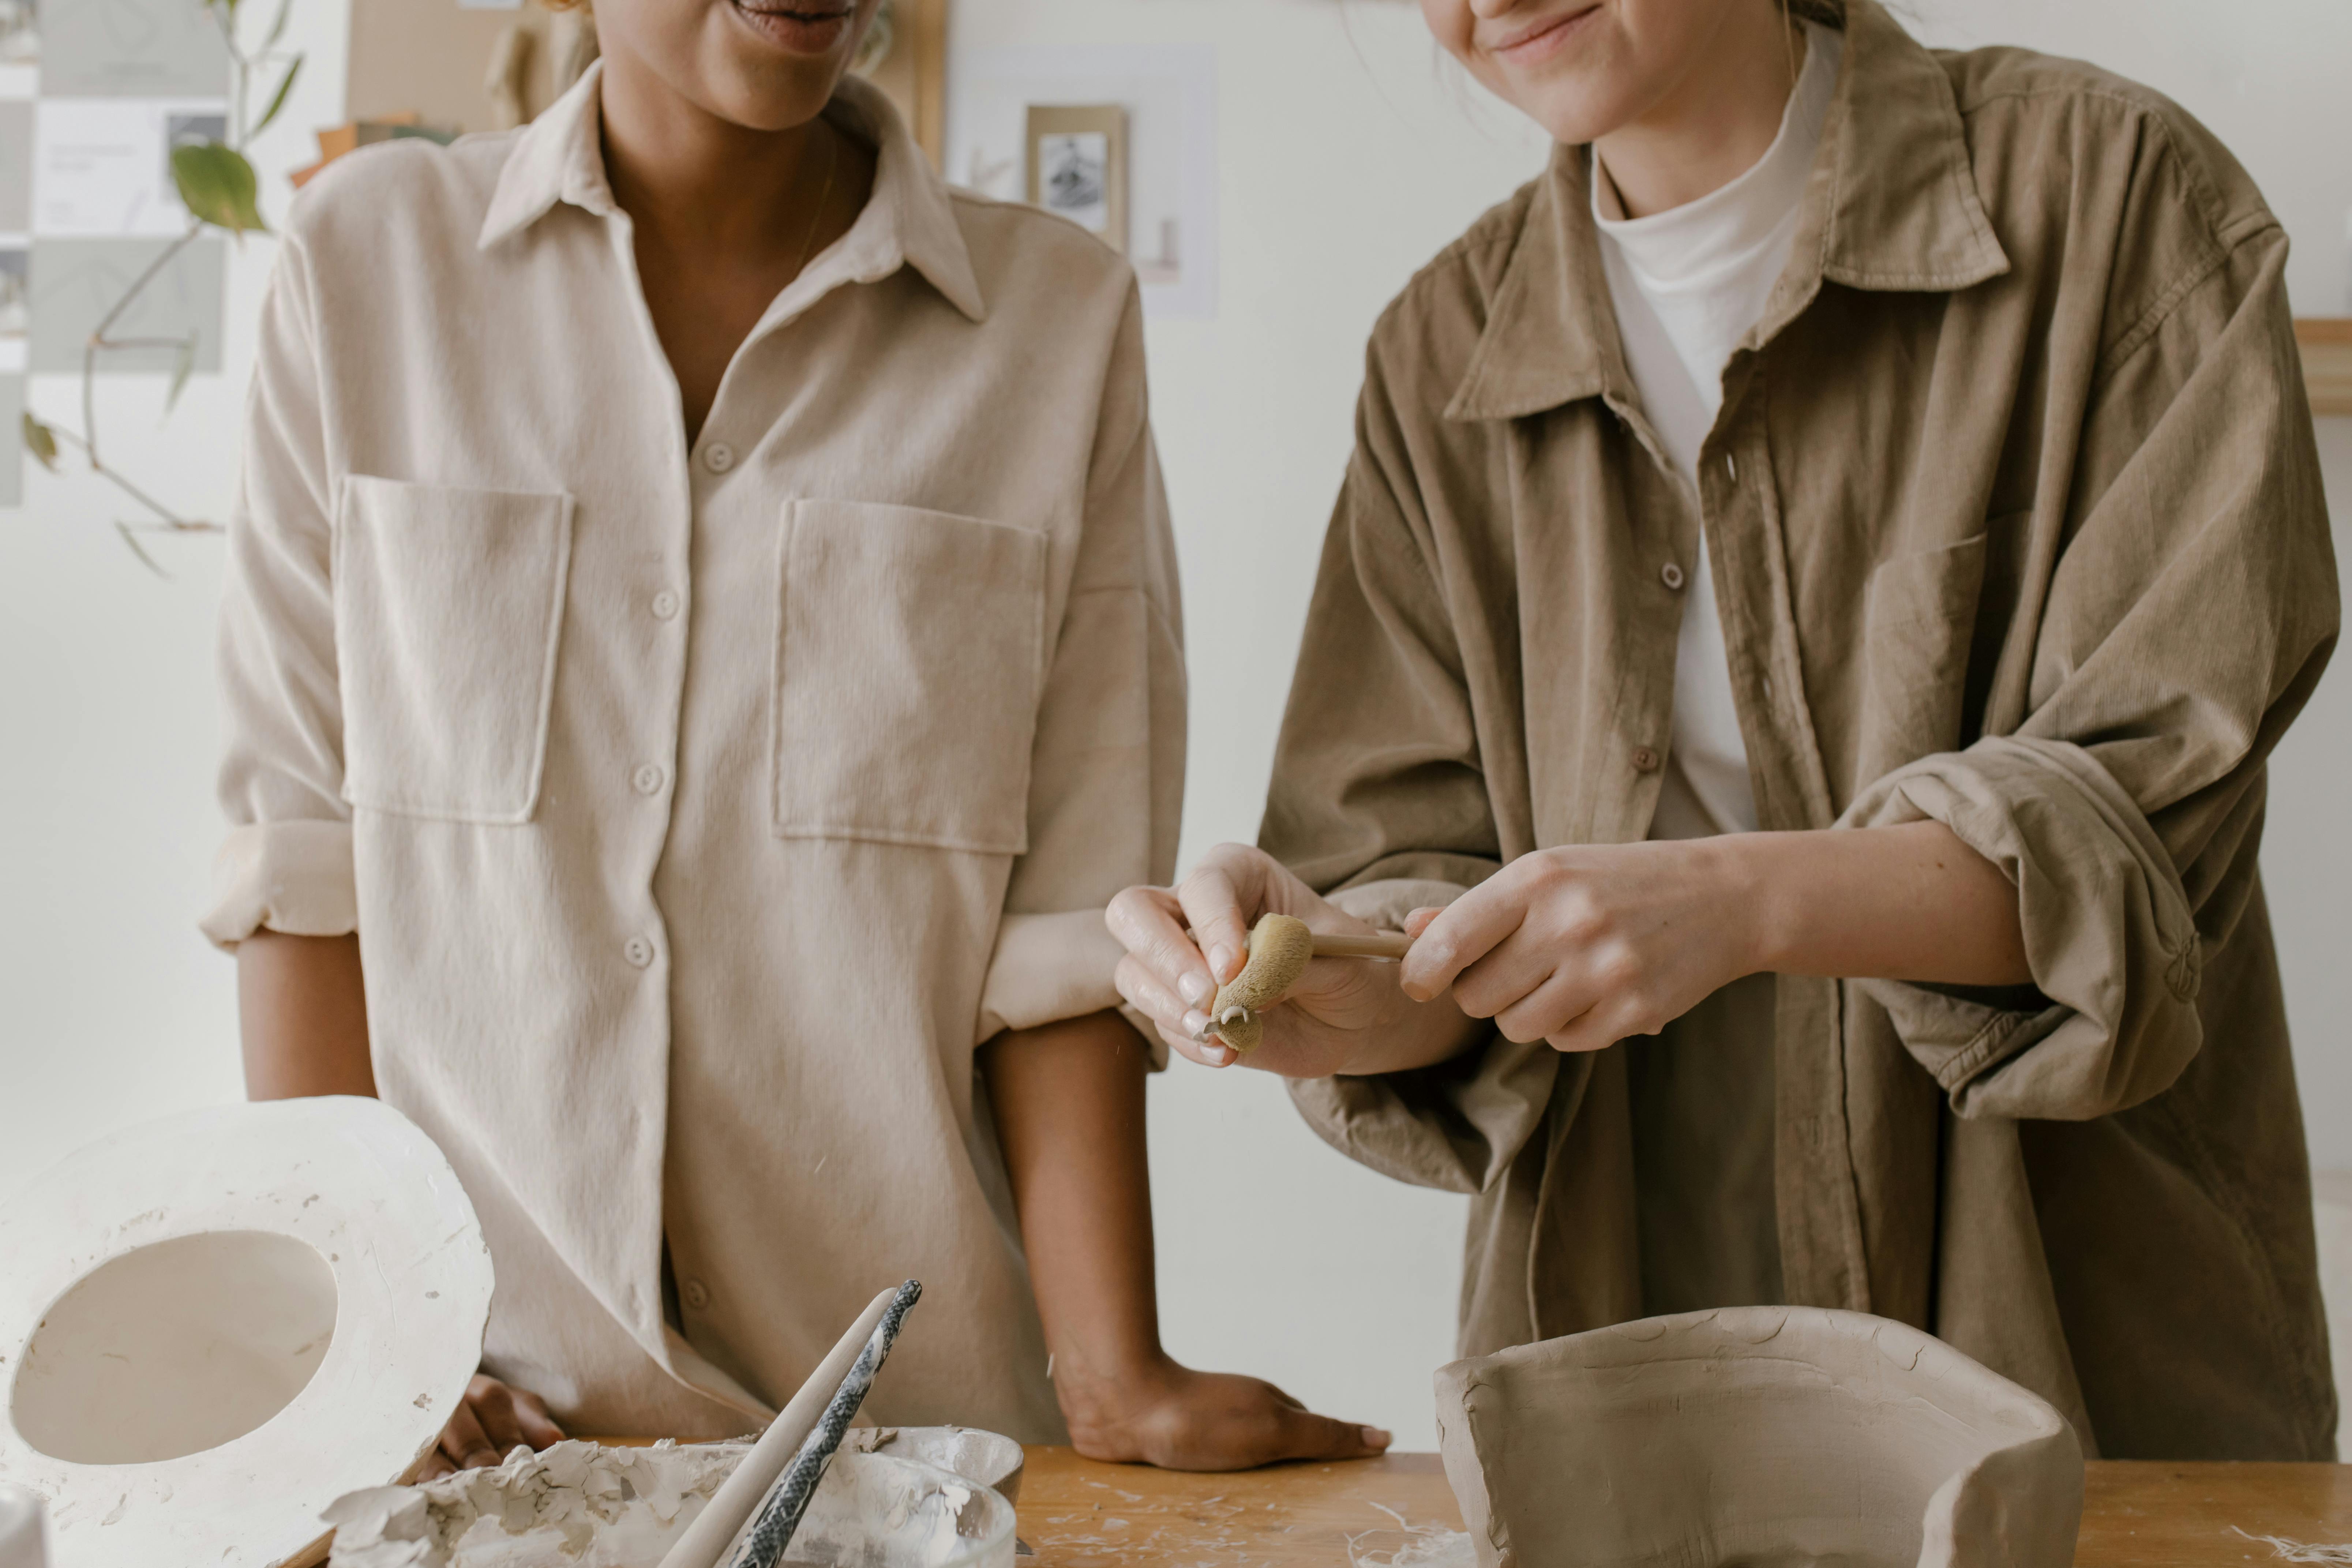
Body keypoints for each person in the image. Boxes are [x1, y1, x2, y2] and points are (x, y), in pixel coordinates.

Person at [1109, 0, 2340, 1459]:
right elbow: (1422, 865)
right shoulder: (1439, 357)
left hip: (2077, 1356)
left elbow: (2143, 825)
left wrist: (1742, 899)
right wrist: (1352, 967)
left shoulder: (2123, 198)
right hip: (1627, 1393)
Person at [209, 0, 1388, 1475]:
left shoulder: (1055, 321)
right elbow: (308, 877)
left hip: (915, 1452)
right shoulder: (364, 271)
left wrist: (1113, 1374)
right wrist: (371, 1349)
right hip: (486, 1457)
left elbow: (1070, 928)